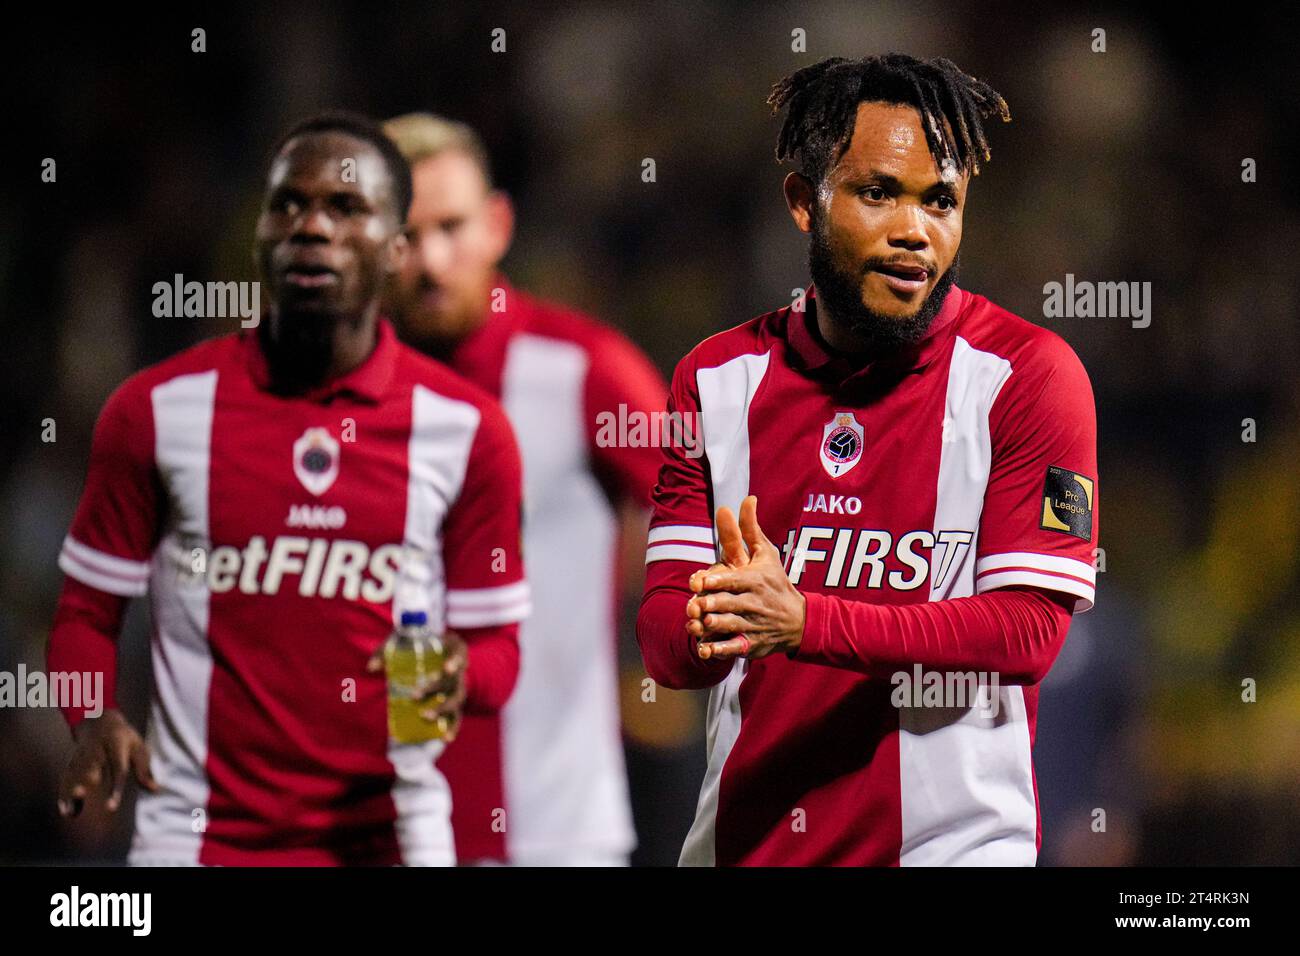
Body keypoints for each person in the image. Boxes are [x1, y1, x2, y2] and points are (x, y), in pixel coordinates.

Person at [637, 53, 1099, 866]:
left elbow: (1029, 631)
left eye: (941, 200)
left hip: (954, 850)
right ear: (802, 204)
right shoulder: (712, 382)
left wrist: (804, 620)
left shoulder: (1031, 379)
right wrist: (714, 620)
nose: (915, 229)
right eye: (878, 192)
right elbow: (663, 645)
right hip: (748, 847)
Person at [47, 112, 529, 866]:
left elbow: (498, 649)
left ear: (397, 248)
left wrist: (459, 673)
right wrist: (92, 716)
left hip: (390, 841)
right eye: (288, 205)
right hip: (194, 840)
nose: (311, 227)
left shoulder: (469, 432)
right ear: (260, 235)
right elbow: (84, 613)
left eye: (344, 209)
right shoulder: (154, 412)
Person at [383, 113, 666, 866]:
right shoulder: (328, 401)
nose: (431, 260)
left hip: (554, 834)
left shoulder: (585, 373)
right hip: (370, 834)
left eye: (451, 225)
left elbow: (712, 516)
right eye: (405, 236)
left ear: (498, 224)